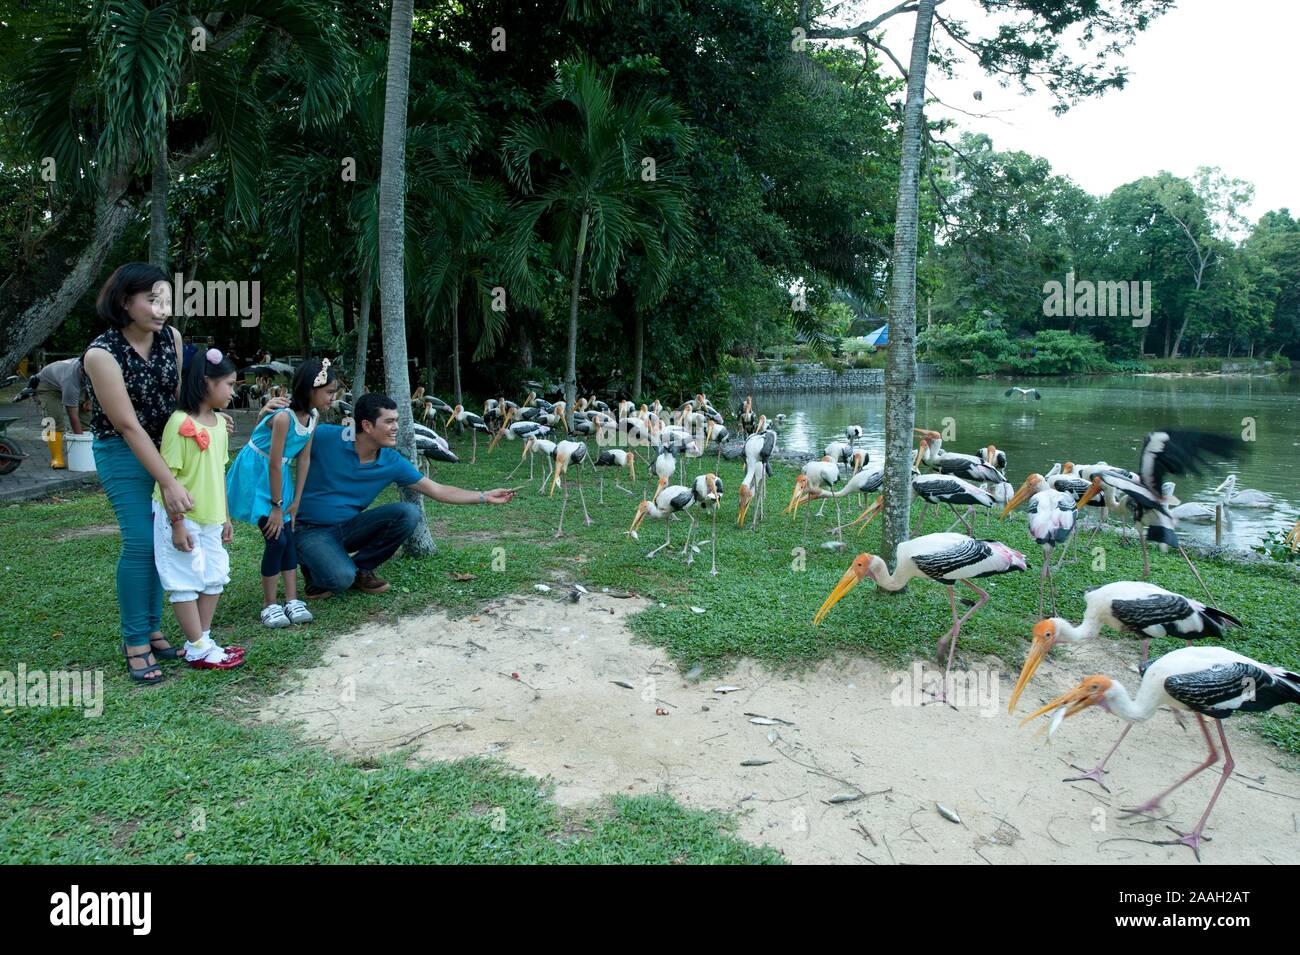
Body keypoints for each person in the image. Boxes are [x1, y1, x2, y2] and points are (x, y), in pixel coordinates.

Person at [83, 262, 285, 684]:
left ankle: (154, 630)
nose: (162, 309)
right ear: (125, 301)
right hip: (123, 450)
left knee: (163, 541)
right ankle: (136, 639)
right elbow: (127, 425)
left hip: (174, 443)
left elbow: (178, 395)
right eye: (151, 299)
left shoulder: (171, 339)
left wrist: (206, 419)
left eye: (167, 300)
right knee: (141, 541)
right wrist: (168, 482)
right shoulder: (101, 354)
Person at [294, 393, 516, 598]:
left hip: (349, 527)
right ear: (367, 426)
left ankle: (361, 569)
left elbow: (437, 490)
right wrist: (272, 414)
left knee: (408, 513)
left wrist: (484, 496)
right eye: (389, 422)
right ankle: (314, 570)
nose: (396, 428)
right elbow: (279, 441)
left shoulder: (391, 460)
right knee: (340, 579)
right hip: (310, 529)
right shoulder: (327, 437)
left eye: (396, 421)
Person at [226, 357, 338, 628]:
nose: (333, 398)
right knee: (275, 539)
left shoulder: (313, 417)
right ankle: (269, 605)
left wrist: (295, 501)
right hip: (257, 474)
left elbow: (305, 459)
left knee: (288, 537)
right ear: (311, 389)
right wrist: (277, 507)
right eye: (329, 392)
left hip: (279, 478)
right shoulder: (283, 418)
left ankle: (291, 599)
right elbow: (273, 463)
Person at [151, 348, 245, 670]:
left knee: (215, 576)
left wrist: (226, 517)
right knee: (184, 580)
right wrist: (176, 524)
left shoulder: (219, 424)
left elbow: (219, 473)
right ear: (207, 382)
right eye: (229, 384)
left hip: (211, 517)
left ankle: (203, 640)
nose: (233, 392)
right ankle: (198, 646)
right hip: (182, 517)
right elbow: (168, 480)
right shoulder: (179, 424)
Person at [34, 357, 88, 468]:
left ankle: (89, 454)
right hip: (49, 385)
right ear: (82, 370)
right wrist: (79, 440)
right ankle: (56, 457)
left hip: (75, 381)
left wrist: (89, 400)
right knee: (53, 419)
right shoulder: (71, 380)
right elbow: (73, 415)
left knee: (87, 416)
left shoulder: (97, 366)